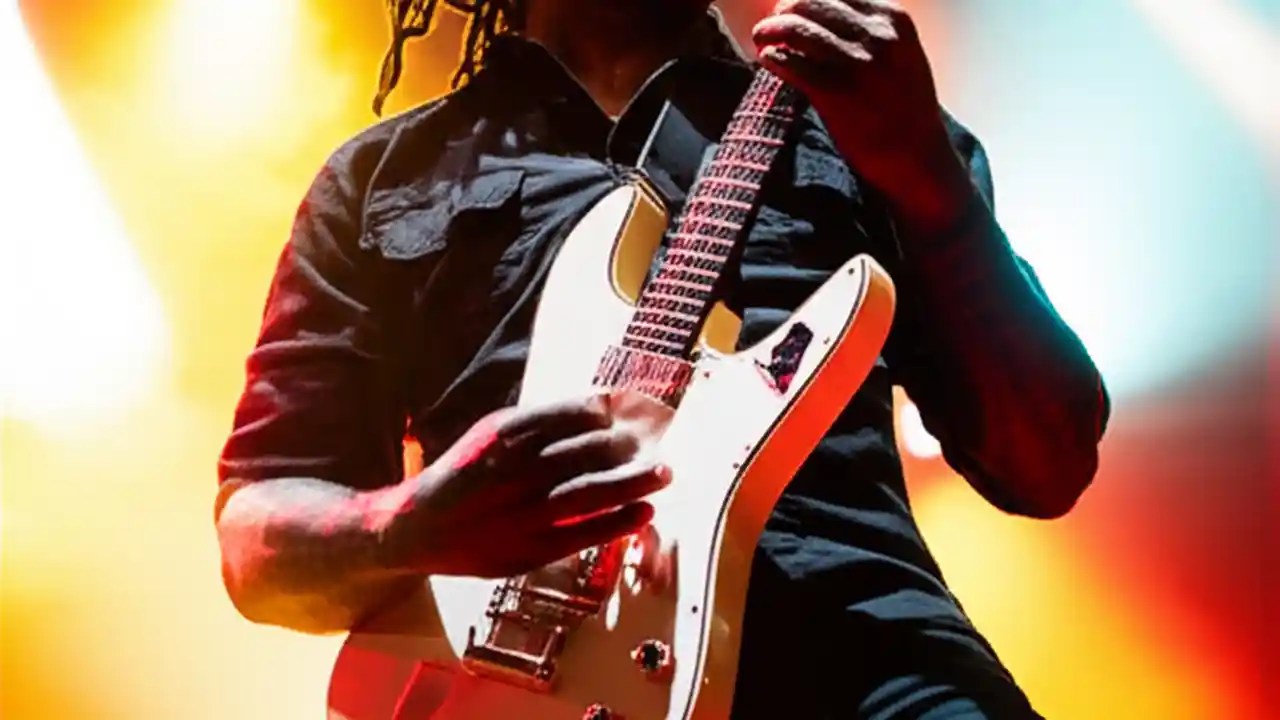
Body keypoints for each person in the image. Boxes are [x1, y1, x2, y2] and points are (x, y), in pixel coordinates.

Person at [214, 0, 1110, 717]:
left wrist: (927, 174)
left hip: (871, 661)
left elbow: (1048, 463)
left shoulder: (870, 116)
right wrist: (409, 525)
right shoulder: (382, 176)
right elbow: (260, 534)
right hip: (513, 676)